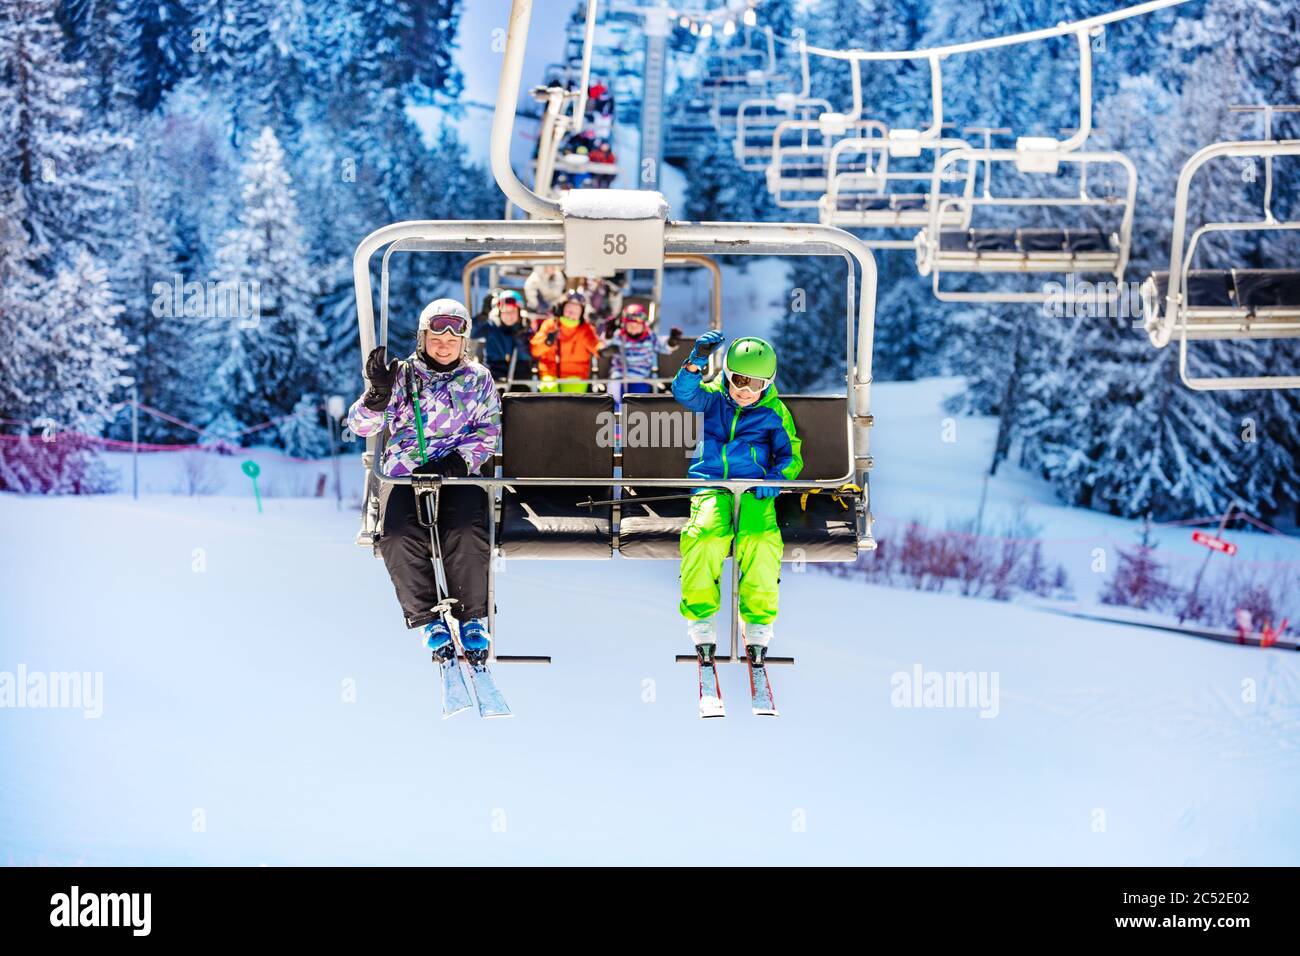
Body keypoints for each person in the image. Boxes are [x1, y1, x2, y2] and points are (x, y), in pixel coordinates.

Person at [346, 298, 501, 661]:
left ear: (464, 343)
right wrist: (377, 395)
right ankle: (428, 617)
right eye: (436, 337)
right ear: (422, 338)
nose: (443, 344)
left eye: (452, 339)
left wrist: (456, 465)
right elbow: (360, 426)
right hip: (405, 474)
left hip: (456, 475)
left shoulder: (478, 379)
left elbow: (489, 430)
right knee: (398, 536)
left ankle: (471, 616)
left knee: (466, 529)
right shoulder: (401, 376)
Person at [670, 332, 802, 664]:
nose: (744, 390)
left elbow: (792, 457)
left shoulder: (774, 413)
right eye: (739, 380)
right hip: (711, 485)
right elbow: (683, 392)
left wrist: (776, 478)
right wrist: (696, 361)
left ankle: (758, 621)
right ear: (727, 375)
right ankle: (700, 617)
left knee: (760, 539)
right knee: (705, 536)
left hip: (754, 487)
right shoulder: (714, 398)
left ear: (767, 384)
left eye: (754, 384)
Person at [601, 302, 681, 403]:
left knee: (636, 400)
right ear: (625, 325)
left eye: (637, 325)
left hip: (640, 377)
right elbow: (604, 345)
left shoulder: (650, 338)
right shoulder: (620, 336)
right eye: (630, 325)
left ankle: (634, 415)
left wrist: (671, 342)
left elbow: (664, 347)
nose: (633, 328)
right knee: (614, 395)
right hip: (619, 376)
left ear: (643, 325)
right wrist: (608, 335)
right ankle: (616, 413)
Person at [530, 290, 601, 393]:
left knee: (572, 397)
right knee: (549, 392)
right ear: (561, 309)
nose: (572, 314)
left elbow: (596, 346)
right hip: (550, 374)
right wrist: (547, 343)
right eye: (569, 309)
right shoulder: (550, 325)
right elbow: (535, 350)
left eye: (576, 311)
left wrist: (604, 350)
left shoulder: (585, 329)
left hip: (576, 375)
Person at [472, 289, 533, 385]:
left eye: (512, 311)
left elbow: (527, 356)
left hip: (519, 378)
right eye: (505, 312)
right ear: (499, 313)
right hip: (494, 376)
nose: (509, 316)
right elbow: (471, 333)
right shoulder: (491, 326)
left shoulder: (526, 329)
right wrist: (483, 316)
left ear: (519, 312)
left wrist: (520, 336)